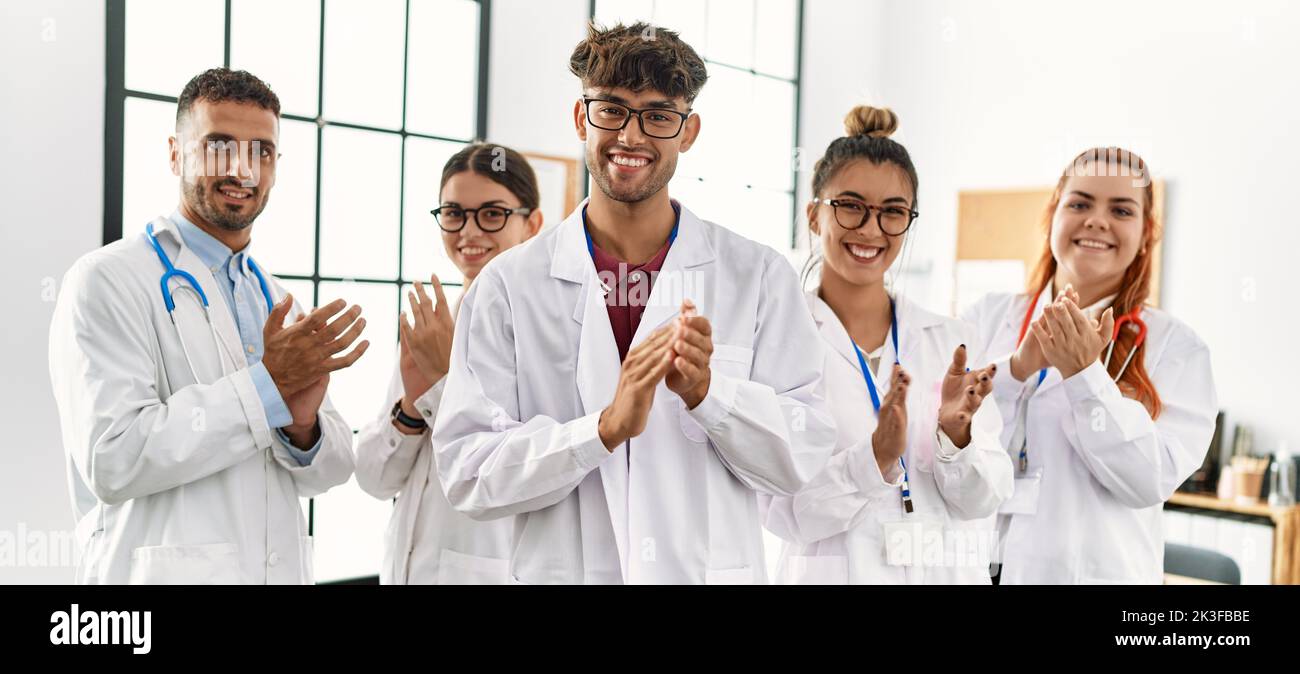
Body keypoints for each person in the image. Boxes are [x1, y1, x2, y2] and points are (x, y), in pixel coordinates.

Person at [429, 22, 837, 584]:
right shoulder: (508, 285)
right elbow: (467, 472)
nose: (631, 136)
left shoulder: (758, 275)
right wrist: (598, 431)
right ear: (581, 119)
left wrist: (710, 394)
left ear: (687, 131)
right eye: (612, 110)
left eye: (658, 115)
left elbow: (804, 455)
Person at [48, 68, 368, 584]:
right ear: (176, 153)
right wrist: (268, 388)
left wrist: (301, 426)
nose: (243, 170)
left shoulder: (279, 298)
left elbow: (332, 471)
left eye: (262, 151)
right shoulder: (106, 280)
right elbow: (113, 459)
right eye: (219, 146)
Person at [761, 106, 1012, 584]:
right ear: (815, 215)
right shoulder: (780, 343)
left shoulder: (951, 342)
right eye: (850, 205)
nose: (871, 230)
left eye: (892, 212)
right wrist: (872, 459)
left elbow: (986, 498)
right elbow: (781, 513)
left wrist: (955, 438)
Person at [962, 147, 1218, 584]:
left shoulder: (1177, 348)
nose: (1097, 220)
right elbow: (942, 447)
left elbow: (1147, 480)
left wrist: (1085, 376)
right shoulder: (987, 316)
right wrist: (1015, 370)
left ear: (1146, 232)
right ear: (1053, 214)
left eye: (1121, 210)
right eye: (1080, 203)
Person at [354, 144, 543, 584]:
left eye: (492, 213)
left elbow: (518, 471)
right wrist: (409, 409)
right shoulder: (435, 323)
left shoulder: (548, 331)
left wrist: (442, 384)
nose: (469, 231)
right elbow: (375, 479)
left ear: (532, 224)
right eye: (454, 213)